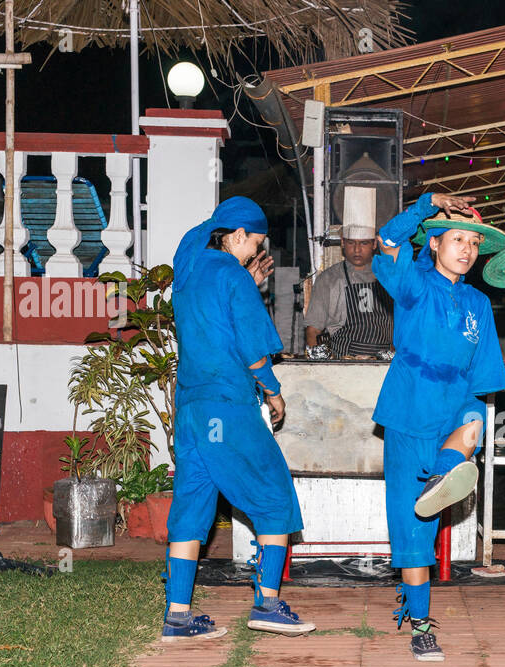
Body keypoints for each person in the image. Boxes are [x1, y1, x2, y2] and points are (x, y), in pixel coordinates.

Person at [161, 196, 315, 641]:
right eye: (255, 242)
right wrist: (273, 391)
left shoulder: (189, 268)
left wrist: (242, 276)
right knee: (274, 497)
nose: (257, 252)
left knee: (192, 505)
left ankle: (178, 615)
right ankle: (267, 603)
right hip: (227, 407)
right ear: (238, 234)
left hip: (190, 410)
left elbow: (213, 316)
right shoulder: (232, 275)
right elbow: (251, 348)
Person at [371, 192, 505, 661]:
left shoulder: (479, 303)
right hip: (410, 407)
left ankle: (443, 473)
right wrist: (427, 203)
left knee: (478, 420)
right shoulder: (414, 283)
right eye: (457, 239)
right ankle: (421, 624)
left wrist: (475, 414)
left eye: (474, 242)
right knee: (414, 530)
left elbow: (486, 375)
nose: (467, 249)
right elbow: (388, 239)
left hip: (457, 404)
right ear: (433, 244)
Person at [303, 224, 394, 358]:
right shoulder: (329, 279)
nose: (357, 249)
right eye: (351, 243)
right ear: (342, 243)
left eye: (364, 243)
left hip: (386, 363)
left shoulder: (391, 276)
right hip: (343, 365)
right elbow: (313, 331)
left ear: (374, 244)